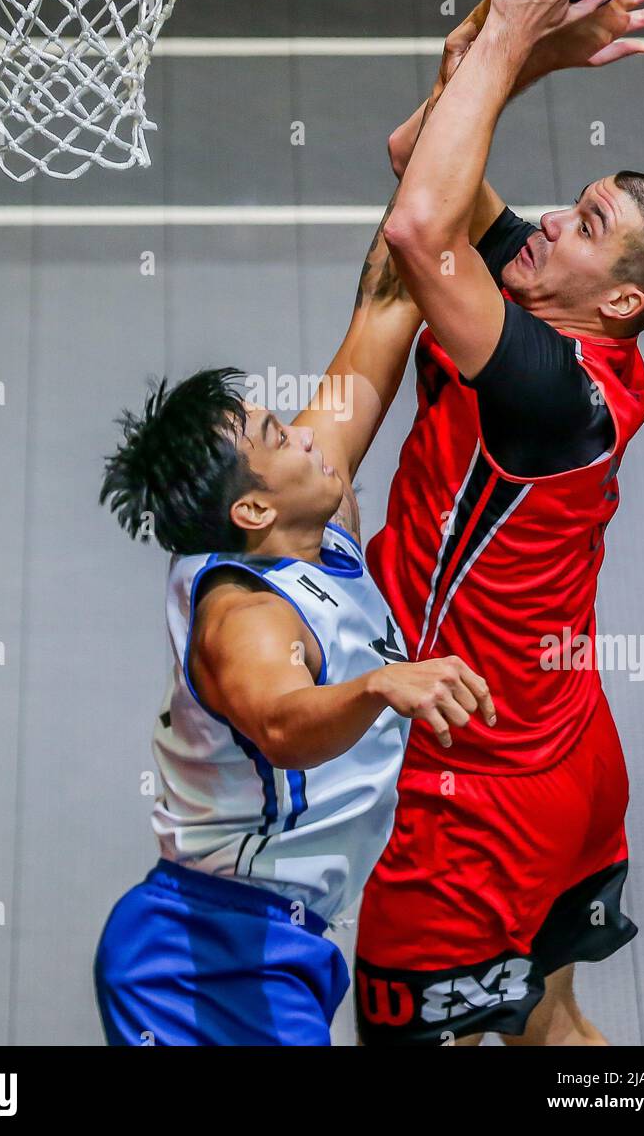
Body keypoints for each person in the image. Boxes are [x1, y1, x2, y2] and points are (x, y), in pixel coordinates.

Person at [354, 0, 644, 1046]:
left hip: (472, 785)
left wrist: (512, 21)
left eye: (585, 219)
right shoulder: (561, 321)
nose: (552, 217)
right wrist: (510, 52)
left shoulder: (548, 389)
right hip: (564, 750)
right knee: (550, 1035)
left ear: (618, 300)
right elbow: (423, 162)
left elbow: (416, 232)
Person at [93, 191, 494, 1045]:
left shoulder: (311, 525)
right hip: (207, 956)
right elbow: (279, 723)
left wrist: (473, 84)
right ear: (250, 512)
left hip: (275, 944)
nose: (308, 435)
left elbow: (389, 302)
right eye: (280, 434)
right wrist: (381, 686)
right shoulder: (244, 616)